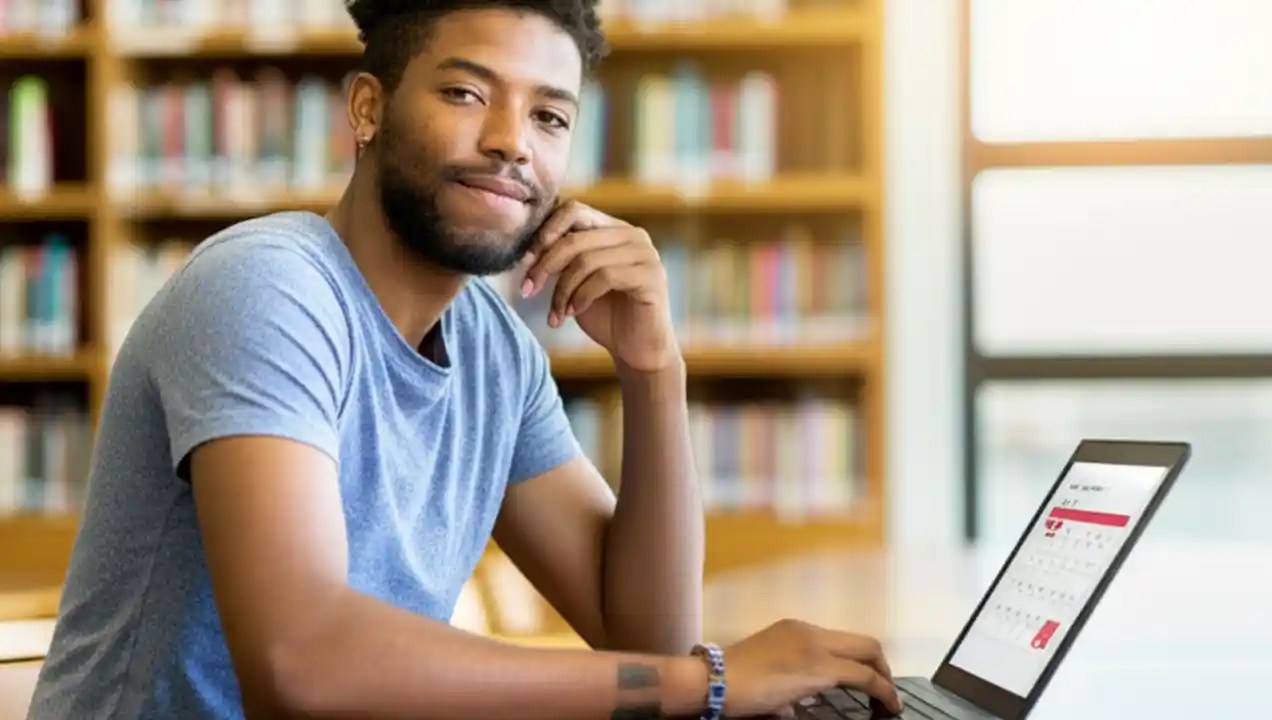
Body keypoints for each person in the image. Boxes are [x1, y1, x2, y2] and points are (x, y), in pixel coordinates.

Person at [27, 1, 903, 718]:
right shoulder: (267, 289)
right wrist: (710, 683)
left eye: (549, 115)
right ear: (367, 109)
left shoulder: (493, 350)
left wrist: (653, 367)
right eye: (465, 93)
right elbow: (302, 666)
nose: (511, 141)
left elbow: (645, 636)